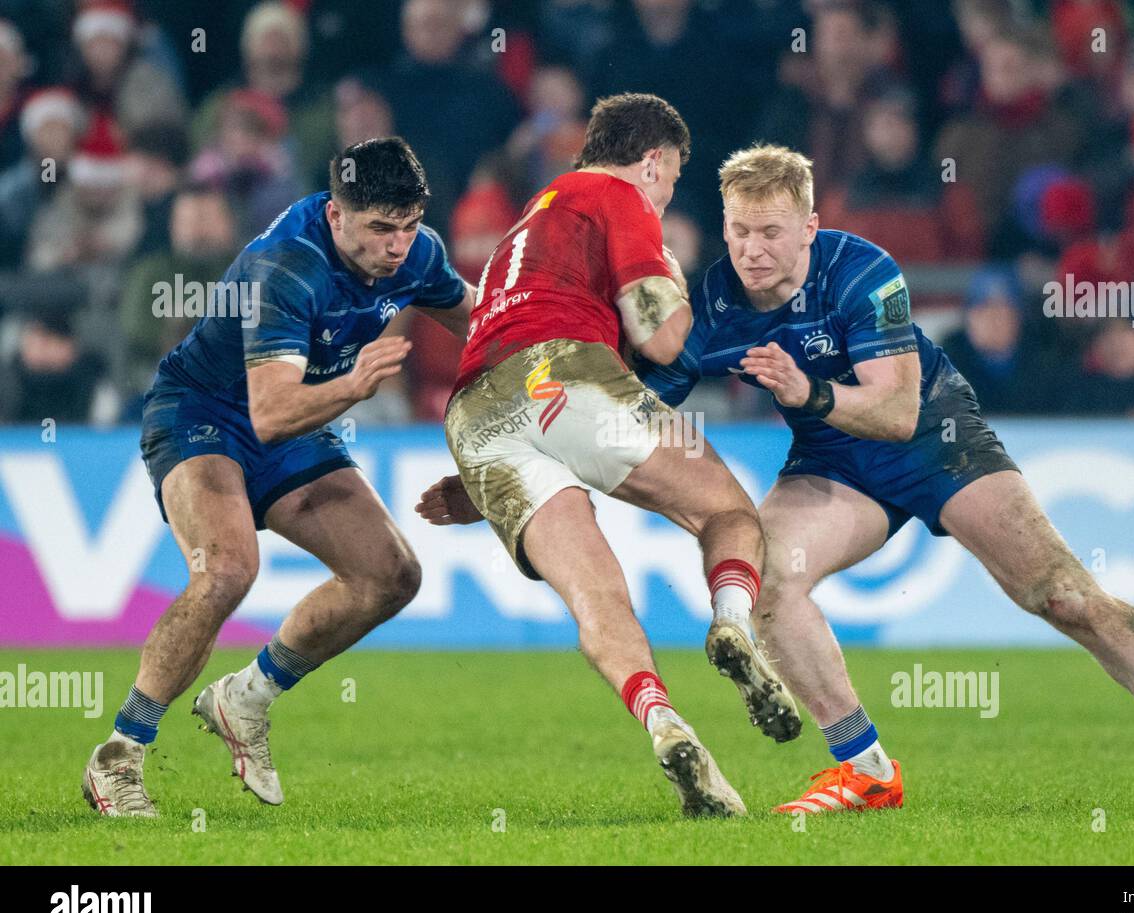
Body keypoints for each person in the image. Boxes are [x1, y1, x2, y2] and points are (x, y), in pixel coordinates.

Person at [637, 144, 1134, 815]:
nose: (751, 250)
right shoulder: (714, 301)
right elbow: (645, 392)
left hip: (935, 438)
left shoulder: (863, 272)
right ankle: (866, 769)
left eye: (770, 233)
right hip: (833, 461)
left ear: (808, 228)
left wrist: (809, 392)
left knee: (1061, 593)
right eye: (739, 232)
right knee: (770, 578)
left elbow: (898, 413)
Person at [416, 94, 798, 818]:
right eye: (673, 178)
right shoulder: (618, 195)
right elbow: (660, 341)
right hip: (562, 372)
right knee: (726, 510)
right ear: (652, 160)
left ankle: (664, 721)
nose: (665, 193)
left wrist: (477, 484)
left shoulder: (529, 220)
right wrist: (683, 279)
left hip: (473, 417)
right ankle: (732, 624)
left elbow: (507, 373)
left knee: (595, 593)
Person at [82, 137, 473, 817]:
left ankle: (246, 698)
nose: (398, 246)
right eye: (381, 227)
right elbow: (269, 412)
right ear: (336, 215)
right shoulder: (286, 267)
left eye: (409, 225)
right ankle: (119, 754)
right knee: (228, 568)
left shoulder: (417, 252)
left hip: (295, 417)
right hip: (203, 412)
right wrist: (353, 384)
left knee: (392, 573)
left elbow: (487, 322)